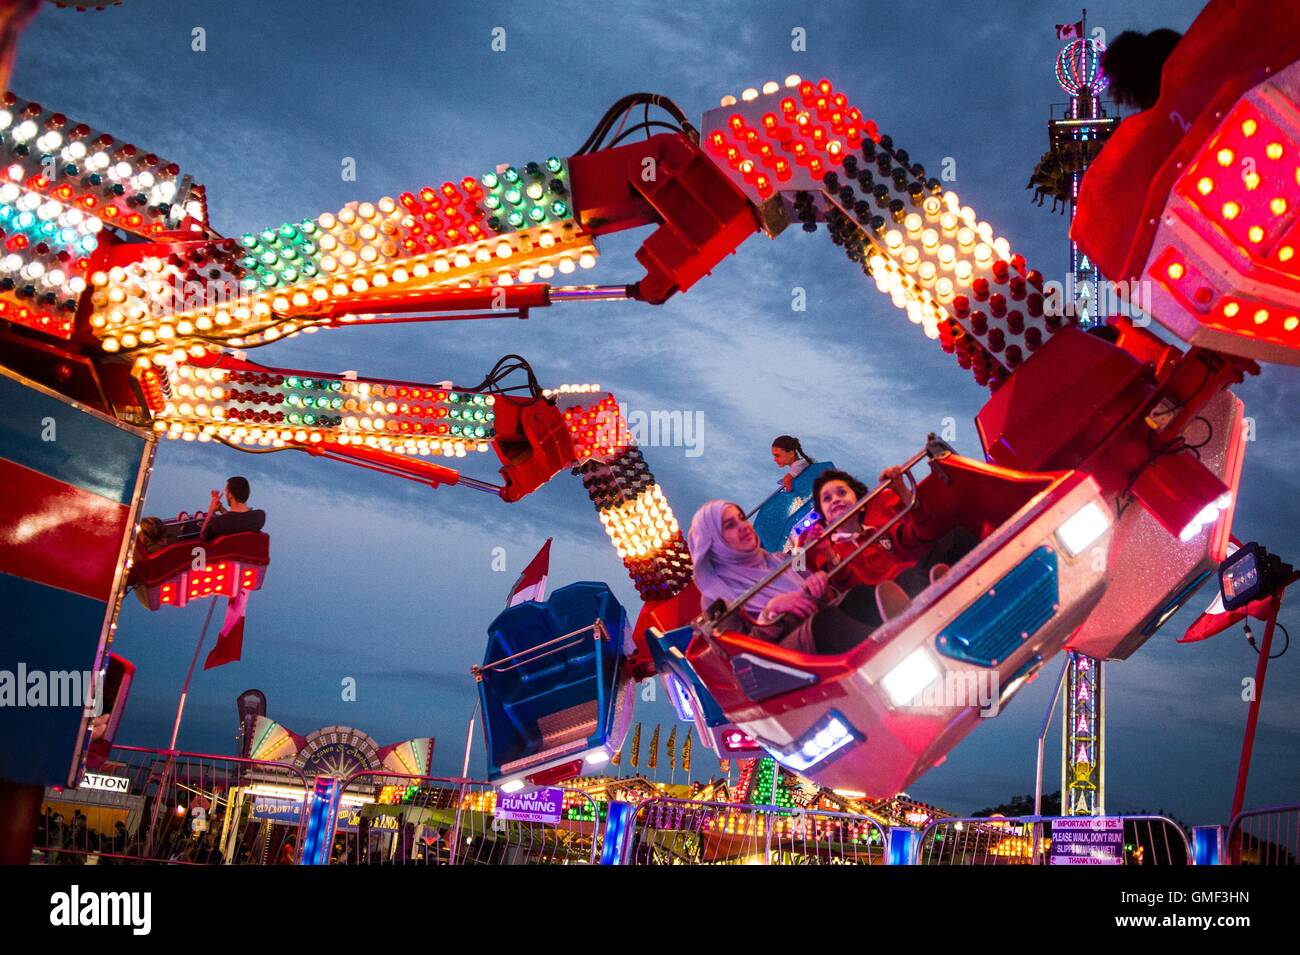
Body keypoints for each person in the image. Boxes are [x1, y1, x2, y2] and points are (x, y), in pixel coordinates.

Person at [688, 499, 880, 655]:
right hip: (788, 659)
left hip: (823, 625)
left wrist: (819, 582)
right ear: (713, 542)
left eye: (742, 518)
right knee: (826, 622)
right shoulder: (715, 596)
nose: (744, 527)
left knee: (860, 595)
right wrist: (770, 613)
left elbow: (818, 586)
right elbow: (741, 656)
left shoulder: (778, 559)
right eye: (730, 525)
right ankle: (884, 653)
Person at [803, 466, 979, 607]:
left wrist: (901, 489)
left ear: (861, 504)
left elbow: (924, 534)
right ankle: (936, 587)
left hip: (908, 579)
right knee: (858, 595)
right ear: (825, 519)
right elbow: (848, 585)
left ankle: (955, 587)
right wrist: (828, 552)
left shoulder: (879, 530)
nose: (835, 499)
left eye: (842, 493)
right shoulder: (826, 551)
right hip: (875, 603)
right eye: (827, 498)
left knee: (958, 537)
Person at [200, 475, 266, 541]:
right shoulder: (259, 516)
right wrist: (221, 508)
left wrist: (211, 509)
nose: (225, 495)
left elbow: (203, 536)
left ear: (230, 495)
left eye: (226, 491)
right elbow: (237, 520)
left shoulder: (219, 522)